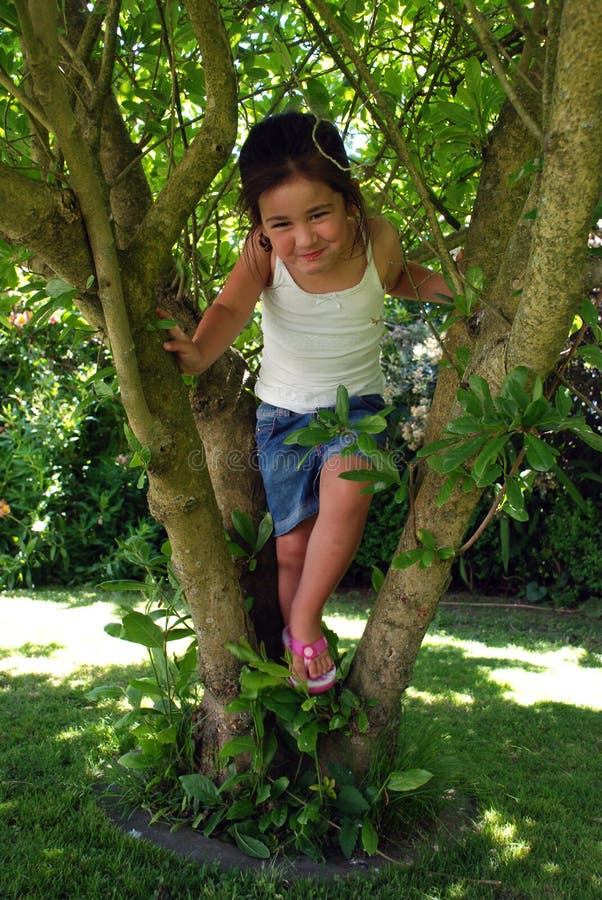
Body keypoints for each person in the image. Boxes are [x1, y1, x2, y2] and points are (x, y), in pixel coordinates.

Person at [160, 111, 450, 693]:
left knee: (347, 492)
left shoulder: (376, 239)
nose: (305, 238)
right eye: (282, 223)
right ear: (261, 225)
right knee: (292, 546)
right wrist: (199, 353)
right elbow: (230, 308)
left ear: (348, 199)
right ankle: (298, 651)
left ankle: (306, 618)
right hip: (283, 416)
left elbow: (401, 278)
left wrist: (459, 292)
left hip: (355, 408)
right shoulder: (263, 254)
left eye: (319, 214)